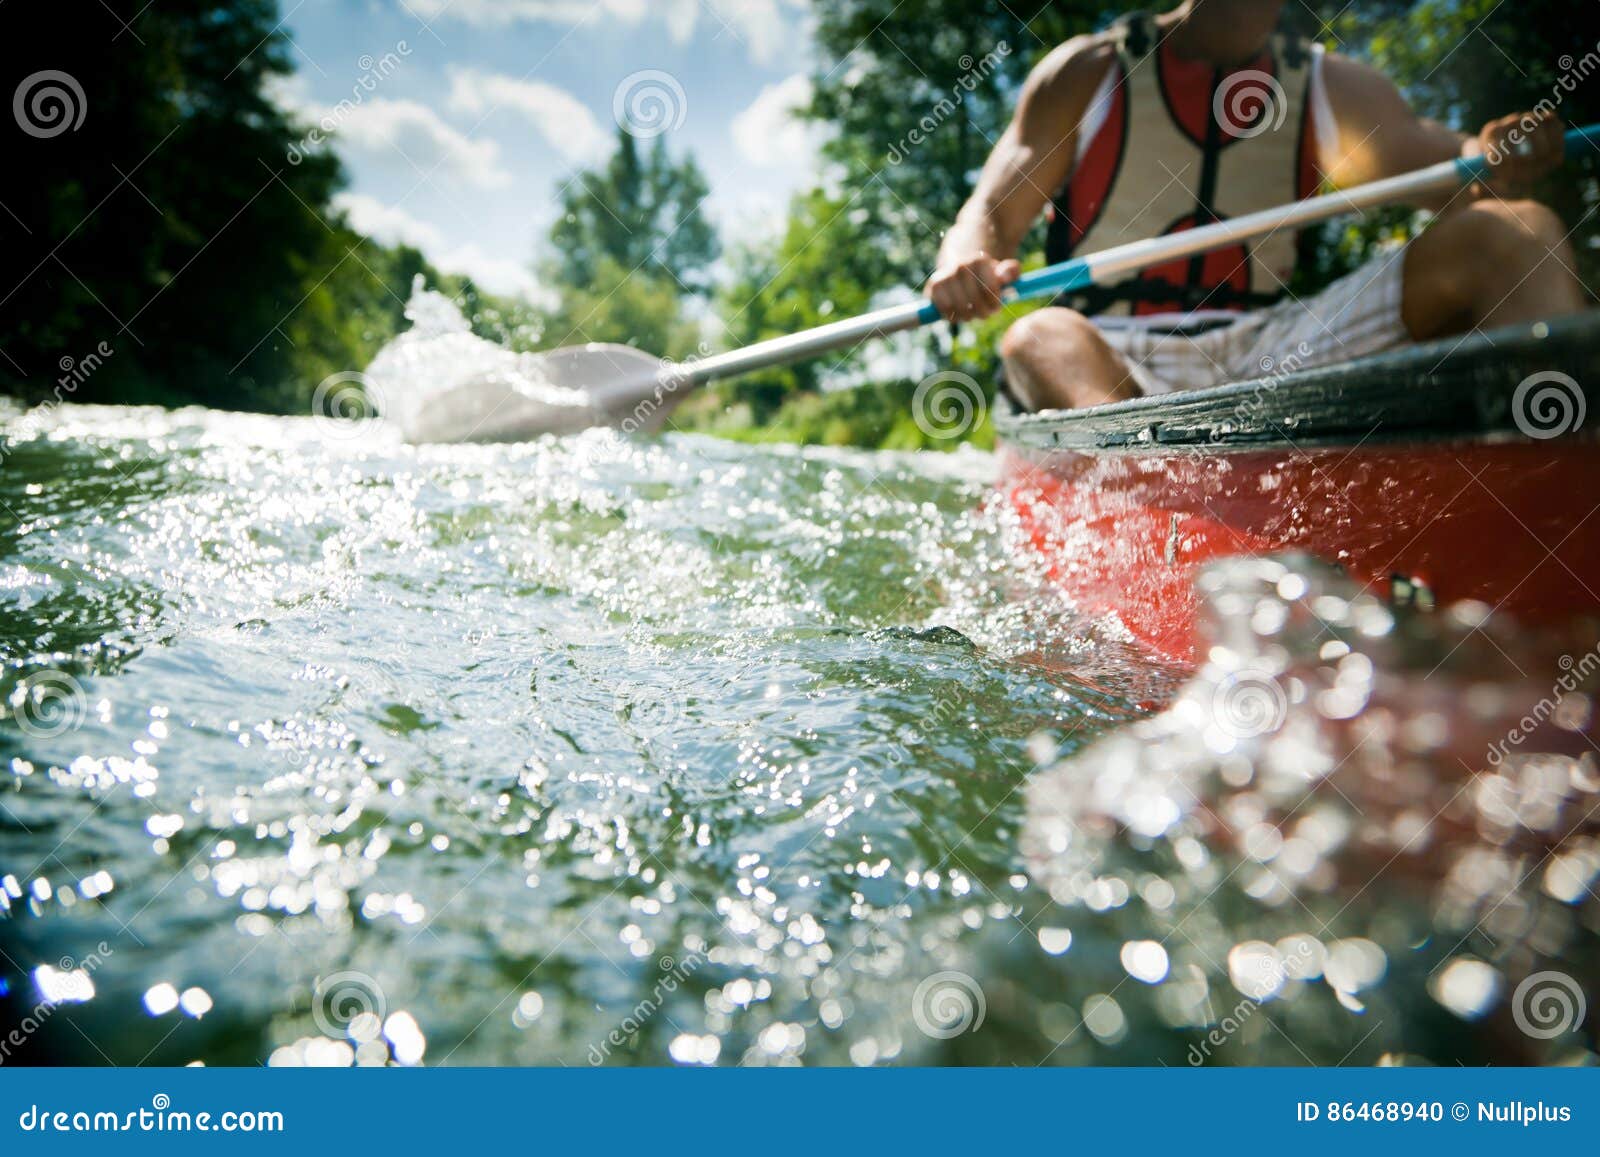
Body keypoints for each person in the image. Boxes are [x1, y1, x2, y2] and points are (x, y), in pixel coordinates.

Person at [927, 0, 1588, 411]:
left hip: (1274, 351)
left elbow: (1461, 174)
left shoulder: (1331, 85)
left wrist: (1499, 152)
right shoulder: (1086, 73)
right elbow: (990, 213)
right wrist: (964, 261)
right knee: (1037, 335)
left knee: (1514, 233)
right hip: (1112, 350)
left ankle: (1561, 468)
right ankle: (1146, 505)